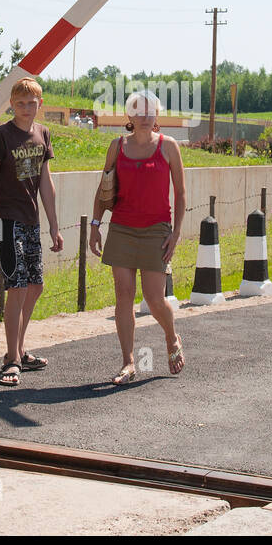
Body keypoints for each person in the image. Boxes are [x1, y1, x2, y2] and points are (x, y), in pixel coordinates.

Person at [89, 90, 186, 385]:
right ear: (129, 116)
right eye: (139, 112)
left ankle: (171, 337)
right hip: (122, 227)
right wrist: (95, 225)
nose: (145, 117)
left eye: (150, 112)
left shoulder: (168, 147)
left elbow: (180, 194)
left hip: (157, 230)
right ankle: (128, 362)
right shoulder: (117, 147)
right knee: (123, 296)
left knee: (155, 299)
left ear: (156, 116)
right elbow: (104, 187)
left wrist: (176, 233)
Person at [0, 78, 64, 386]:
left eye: (32, 102)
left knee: (35, 286)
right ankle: (11, 360)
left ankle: (19, 349)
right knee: (18, 287)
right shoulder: (0, 136)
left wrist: (53, 225)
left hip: (31, 220)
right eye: (20, 102)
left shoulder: (43, 134)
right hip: (5, 220)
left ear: (41, 104)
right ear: (12, 104)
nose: (26, 108)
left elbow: (45, 185)